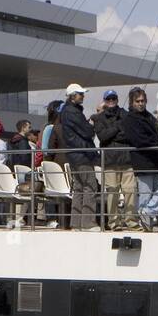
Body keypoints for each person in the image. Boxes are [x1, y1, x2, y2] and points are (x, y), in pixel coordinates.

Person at [123, 87, 158, 230]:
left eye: (143, 101)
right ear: (132, 102)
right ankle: (146, 222)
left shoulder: (148, 116)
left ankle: (147, 214)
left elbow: (156, 132)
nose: (141, 104)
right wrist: (157, 143)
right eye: (138, 101)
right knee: (145, 194)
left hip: (155, 161)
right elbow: (138, 140)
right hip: (142, 161)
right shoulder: (129, 119)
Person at [92, 89, 136, 230]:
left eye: (113, 98)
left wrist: (112, 133)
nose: (111, 101)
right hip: (110, 161)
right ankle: (113, 222)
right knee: (112, 192)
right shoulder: (99, 118)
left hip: (127, 159)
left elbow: (129, 134)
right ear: (105, 101)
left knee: (130, 191)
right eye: (108, 99)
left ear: (117, 99)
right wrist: (118, 127)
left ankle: (131, 221)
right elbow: (102, 137)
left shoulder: (126, 114)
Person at [58, 83, 99, 230]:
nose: (83, 96)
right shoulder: (73, 112)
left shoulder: (66, 111)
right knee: (90, 187)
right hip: (81, 154)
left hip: (73, 155)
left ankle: (76, 223)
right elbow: (87, 132)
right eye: (80, 94)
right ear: (72, 96)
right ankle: (88, 223)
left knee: (79, 188)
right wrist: (92, 125)